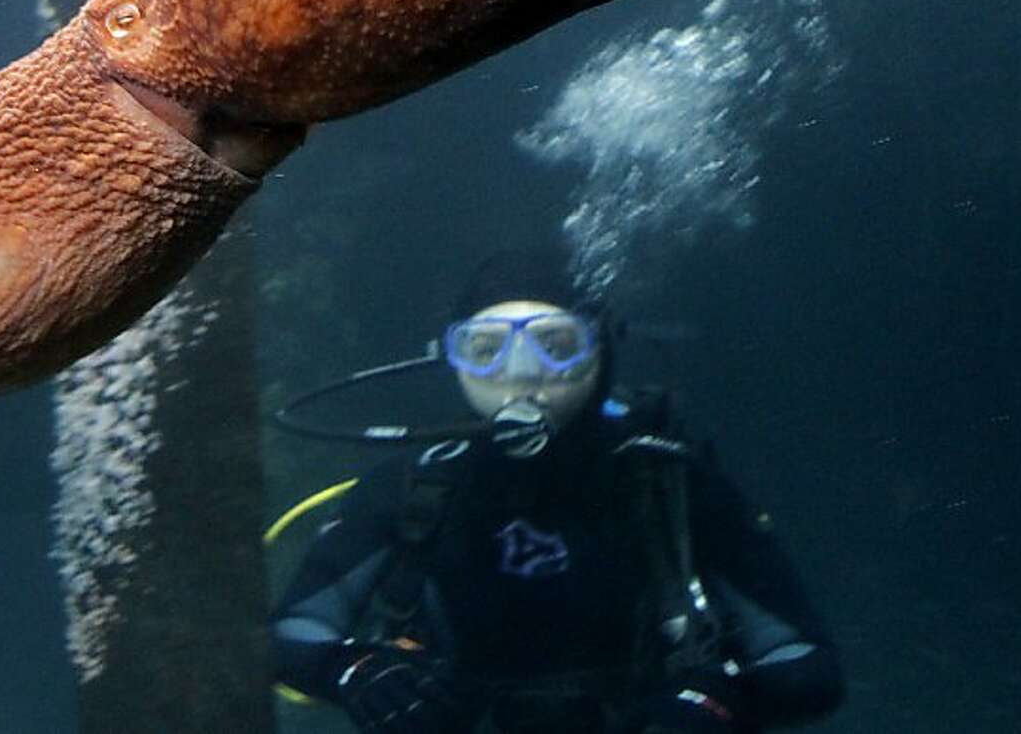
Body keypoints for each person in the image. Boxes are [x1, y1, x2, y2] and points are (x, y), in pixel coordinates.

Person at [270, 253, 845, 733]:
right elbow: (287, 637)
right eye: (487, 349)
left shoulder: (672, 480)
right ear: (453, 360)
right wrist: (356, 671)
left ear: (599, 352)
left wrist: (718, 701)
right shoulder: (413, 488)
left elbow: (808, 668)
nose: (521, 373)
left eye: (556, 343)